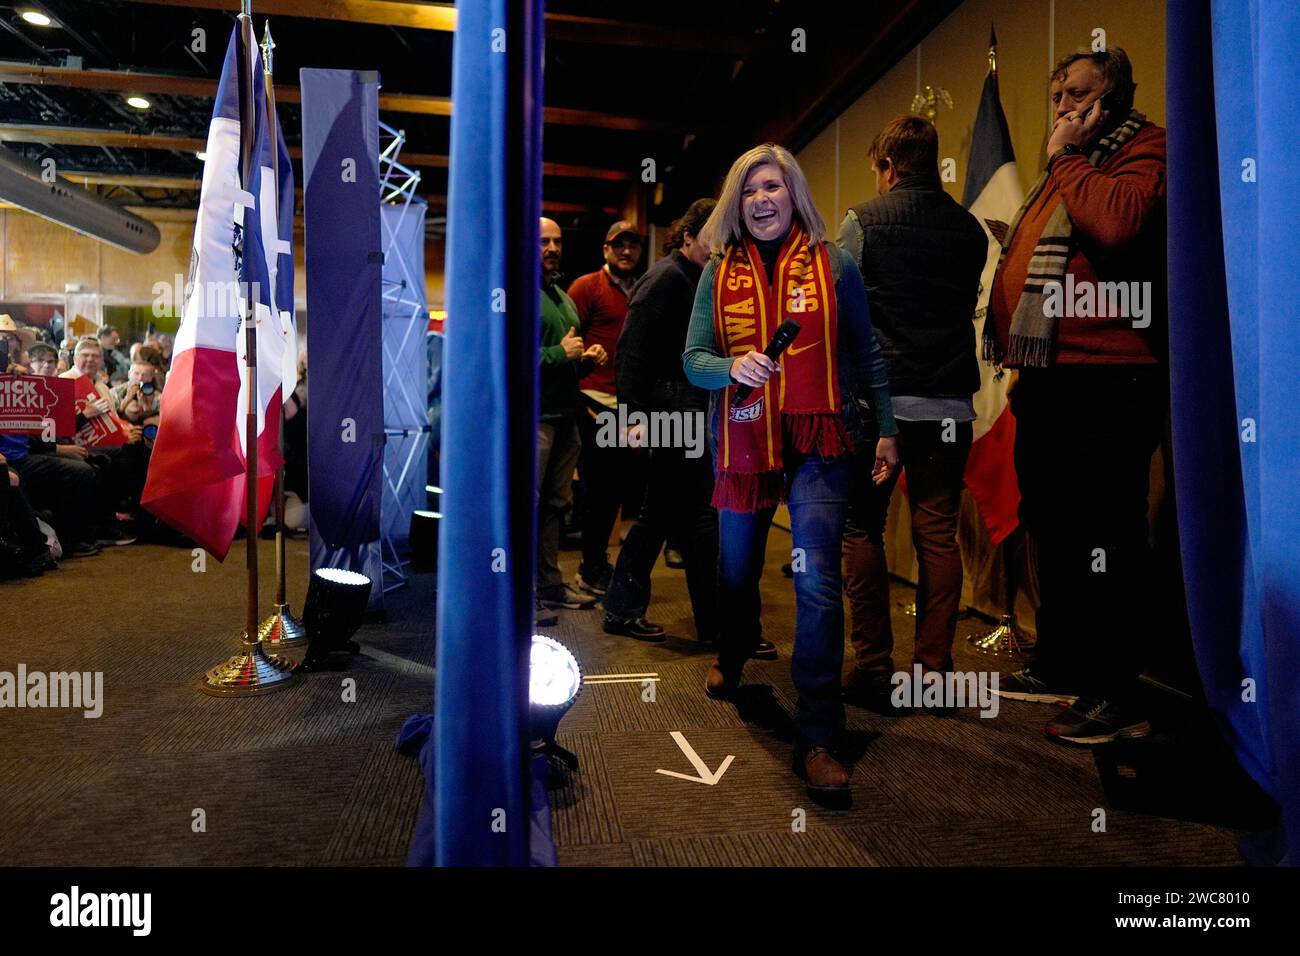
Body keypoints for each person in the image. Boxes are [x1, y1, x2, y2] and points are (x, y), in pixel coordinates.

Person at [684, 144, 899, 807]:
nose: (760, 200)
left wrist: (888, 427)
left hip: (820, 438)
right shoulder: (716, 272)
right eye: (748, 191)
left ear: (794, 193)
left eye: (772, 186)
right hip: (743, 441)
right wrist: (731, 368)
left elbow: (865, 349)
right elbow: (694, 359)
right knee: (737, 568)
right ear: (736, 203)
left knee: (815, 581)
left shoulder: (835, 264)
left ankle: (818, 737)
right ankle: (732, 647)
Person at [986, 48, 1167, 745]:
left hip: (1109, 378)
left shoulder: (1143, 148)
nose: (1062, 105)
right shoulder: (1081, 159)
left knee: (1105, 536)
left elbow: (1117, 223)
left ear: (1112, 97)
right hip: (1053, 378)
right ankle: (1062, 662)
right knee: (1054, 525)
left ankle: (1116, 693)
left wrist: (1063, 159)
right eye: (1057, 92)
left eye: (1078, 93)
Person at [836, 115, 989, 711]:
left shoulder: (861, 222)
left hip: (882, 408)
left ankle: (874, 668)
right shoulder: (972, 231)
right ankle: (934, 671)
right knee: (938, 535)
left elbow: (841, 315)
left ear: (889, 167)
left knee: (860, 527)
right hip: (950, 403)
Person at [602, 198, 728, 645]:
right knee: (697, 515)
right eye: (711, 236)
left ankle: (623, 609)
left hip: (680, 408)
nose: (719, 246)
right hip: (672, 409)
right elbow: (631, 353)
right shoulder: (667, 279)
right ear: (689, 235)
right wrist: (633, 417)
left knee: (660, 515)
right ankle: (715, 626)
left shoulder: (690, 276)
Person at [567, 221, 645, 597]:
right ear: (606, 250)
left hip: (629, 404)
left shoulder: (642, 288)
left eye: (633, 246)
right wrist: (582, 388)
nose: (626, 252)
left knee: (617, 491)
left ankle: (598, 566)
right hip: (595, 402)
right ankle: (590, 567)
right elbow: (571, 341)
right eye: (619, 246)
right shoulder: (587, 286)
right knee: (599, 492)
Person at [537, 217, 607, 617]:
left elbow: (566, 364)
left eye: (557, 242)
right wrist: (559, 354)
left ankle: (549, 584)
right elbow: (503, 360)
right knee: (526, 507)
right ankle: (518, 595)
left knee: (555, 506)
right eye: (544, 241)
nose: (552, 248)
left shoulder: (562, 297)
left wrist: (585, 361)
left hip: (567, 416)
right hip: (536, 419)